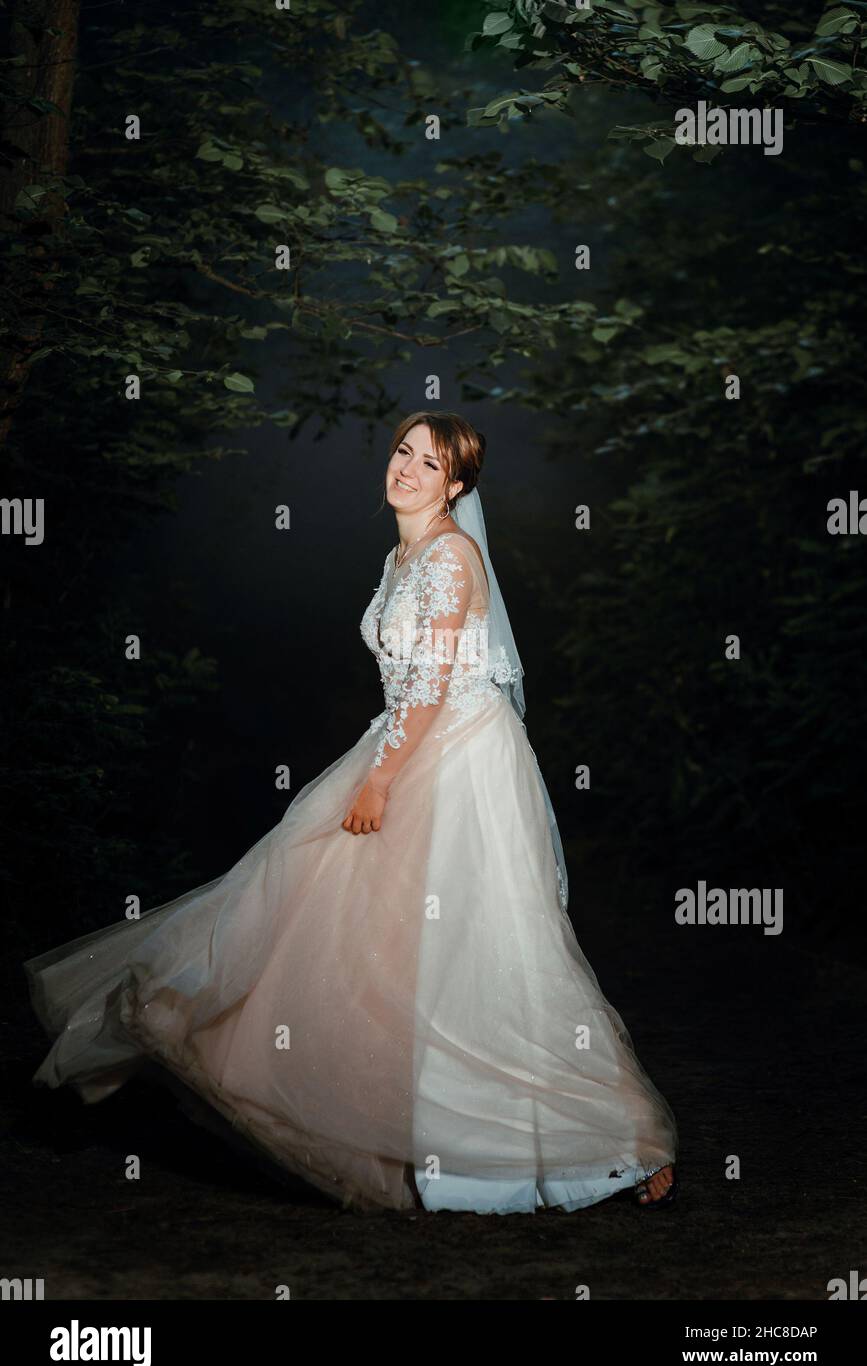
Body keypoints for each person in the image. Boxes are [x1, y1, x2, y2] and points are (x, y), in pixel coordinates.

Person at [24, 410, 678, 1214]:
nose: (406, 469)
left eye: (429, 465)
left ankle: (604, 1144)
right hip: (406, 738)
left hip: (456, 752)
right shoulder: (401, 552)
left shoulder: (447, 555)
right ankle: (393, 1125)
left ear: (458, 486)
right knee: (355, 925)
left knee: (482, 949)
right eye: (403, 452)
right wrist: (379, 764)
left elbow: (434, 682)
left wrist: (379, 781)